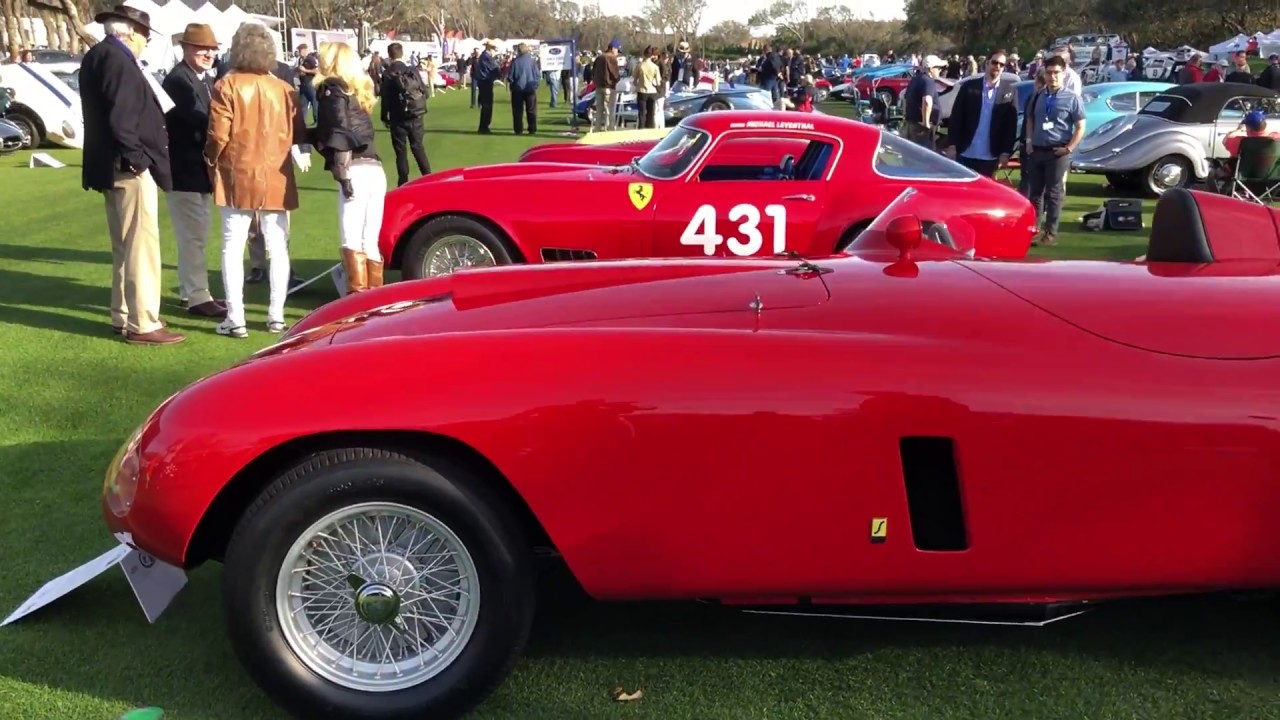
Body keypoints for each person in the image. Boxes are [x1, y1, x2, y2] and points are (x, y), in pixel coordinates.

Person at [79, 4, 184, 345]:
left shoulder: (98, 55)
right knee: (141, 244)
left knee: (125, 244)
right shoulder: (119, 60)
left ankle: (123, 313)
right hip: (126, 165)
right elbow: (122, 118)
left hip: (110, 164)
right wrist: (137, 159)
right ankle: (143, 321)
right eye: (144, 37)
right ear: (132, 33)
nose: (145, 43)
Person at [205, 22, 307, 338]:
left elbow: (217, 135)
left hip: (238, 172)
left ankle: (236, 317)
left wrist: (209, 160)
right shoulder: (285, 89)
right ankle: (275, 315)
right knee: (279, 245)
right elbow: (298, 134)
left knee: (232, 244)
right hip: (275, 172)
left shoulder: (227, 86)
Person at [161, 22, 227, 320]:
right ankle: (198, 295)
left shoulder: (198, 79)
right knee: (193, 235)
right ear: (186, 48)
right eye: (202, 48)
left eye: (212, 49)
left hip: (195, 171)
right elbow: (199, 119)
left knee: (196, 233)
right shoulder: (179, 80)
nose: (208, 53)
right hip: (184, 170)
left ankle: (193, 290)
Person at [312, 42, 385, 294]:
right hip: (374, 169)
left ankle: (357, 308)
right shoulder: (357, 90)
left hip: (355, 168)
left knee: (352, 240)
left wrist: (342, 174)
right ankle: (374, 307)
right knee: (369, 242)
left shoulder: (332, 89)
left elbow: (340, 131)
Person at [1022, 54, 1086, 247]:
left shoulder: (1072, 98)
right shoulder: (1038, 96)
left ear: (1063, 73)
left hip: (1058, 152)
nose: (1052, 77)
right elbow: (1031, 120)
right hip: (1038, 150)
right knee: (1035, 193)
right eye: (1049, 73)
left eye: (1056, 73)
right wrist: (1029, 143)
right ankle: (1033, 229)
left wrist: (1069, 148)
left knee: (1054, 193)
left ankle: (1051, 232)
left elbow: (1081, 126)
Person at [947, 49, 1019, 177]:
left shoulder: (1010, 91)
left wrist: (1006, 152)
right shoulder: (969, 87)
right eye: (994, 62)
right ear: (987, 63)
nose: (997, 66)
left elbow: (1011, 126)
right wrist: (952, 144)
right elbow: (956, 117)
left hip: (991, 155)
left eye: (1001, 64)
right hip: (966, 151)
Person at [379, 42, 431, 185]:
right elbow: (425, 92)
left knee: (401, 152)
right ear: (402, 54)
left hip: (397, 118)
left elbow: (385, 98)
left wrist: (384, 116)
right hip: (416, 114)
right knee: (418, 147)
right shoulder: (412, 70)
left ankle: (403, 182)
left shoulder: (388, 73)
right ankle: (428, 177)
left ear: (389, 55)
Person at [902, 55, 946, 150]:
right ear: (930, 68)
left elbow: (905, 98)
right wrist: (926, 123)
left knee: (910, 155)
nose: (940, 70)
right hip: (920, 127)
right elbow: (927, 100)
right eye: (938, 68)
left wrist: (905, 116)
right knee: (922, 157)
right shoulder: (927, 81)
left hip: (911, 123)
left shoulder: (916, 79)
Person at [507, 43, 539, 134]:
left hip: (517, 89)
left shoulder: (515, 62)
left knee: (517, 111)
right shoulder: (532, 61)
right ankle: (532, 128)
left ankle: (518, 129)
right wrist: (535, 84)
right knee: (531, 110)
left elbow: (510, 77)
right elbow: (537, 74)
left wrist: (512, 83)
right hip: (530, 88)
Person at [591, 40, 621, 132]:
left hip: (598, 86)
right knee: (609, 110)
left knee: (599, 110)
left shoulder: (599, 57)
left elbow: (593, 72)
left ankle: (597, 129)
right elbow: (614, 74)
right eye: (617, 50)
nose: (617, 53)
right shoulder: (611, 58)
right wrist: (617, 79)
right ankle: (609, 129)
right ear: (612, 48)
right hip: (609, 87)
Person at [473, 40, 500, 133]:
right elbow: (493, 68)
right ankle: (484, 127)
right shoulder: (486, 57)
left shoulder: (485, 56)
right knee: (487, 105)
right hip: (485, 83)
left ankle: (485, 126)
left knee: (486, 105)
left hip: (484, 82)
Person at [635, 45, 661, 129]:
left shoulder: (640, 66)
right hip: (652, 91)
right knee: (651, 113)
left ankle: (641, 130)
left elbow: (635, 80)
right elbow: (658, 82)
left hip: (642, 91)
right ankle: (651, 129)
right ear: (651, 55)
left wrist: (637, 84)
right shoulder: (655, 67)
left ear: (644, 54)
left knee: (642, 113)